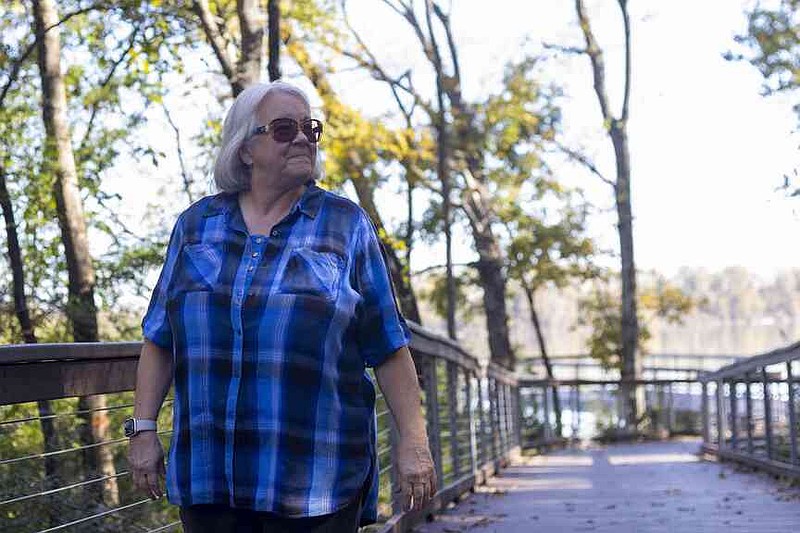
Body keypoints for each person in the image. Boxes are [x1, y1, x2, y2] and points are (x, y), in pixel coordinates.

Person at [126, 80, 436, 532]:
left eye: (310, 128)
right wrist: (143, 429)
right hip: (211, 479)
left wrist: (414, 442)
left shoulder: (345, 225)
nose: (303, 138)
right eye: (285, 129)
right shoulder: (196, 227)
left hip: (317, 483)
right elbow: (160, 338)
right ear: (244, 149)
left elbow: (388, 346)